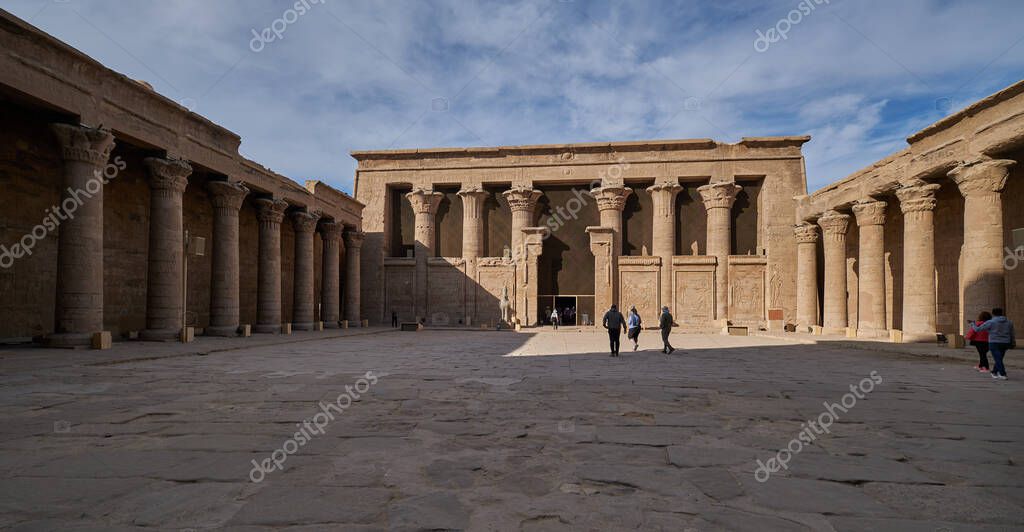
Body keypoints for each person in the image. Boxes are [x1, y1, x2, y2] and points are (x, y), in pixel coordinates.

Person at [971, 308, 1015, 380]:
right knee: (999, 358)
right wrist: (1013, 342)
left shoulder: (991, 322)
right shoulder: (1009, 322)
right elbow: (1012, 333)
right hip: (1005, 342)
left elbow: (977, 329)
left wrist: (973, 324)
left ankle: (1002, 374)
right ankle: (994, 372)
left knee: (998, 359)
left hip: (994, 342)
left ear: (993, 314)